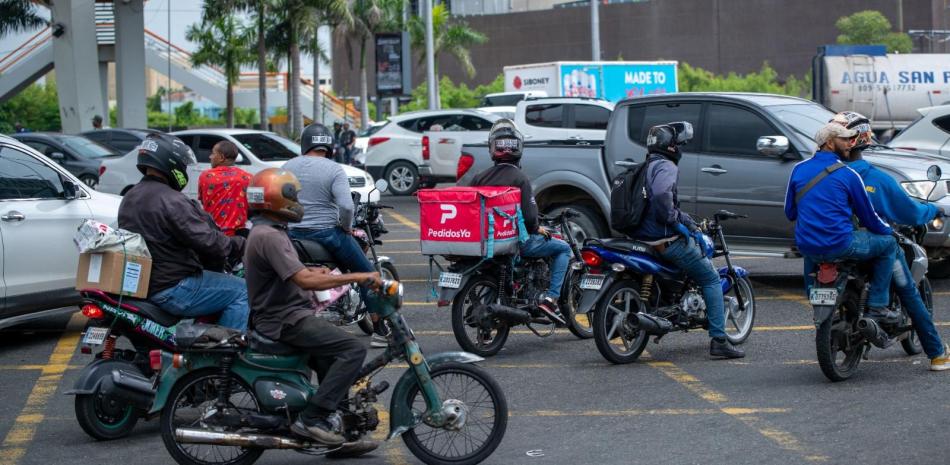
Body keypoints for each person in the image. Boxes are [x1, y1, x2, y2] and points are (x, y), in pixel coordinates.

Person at [243, 167, 380, 450]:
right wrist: (358, 276)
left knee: (331, 356)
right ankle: (312, 419)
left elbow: (293, 271)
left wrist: (314, 270)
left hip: (289, 314)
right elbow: (304, 281)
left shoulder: (270, 230)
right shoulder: (269, 235)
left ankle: (339, 430)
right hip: (284, 320)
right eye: (293, 197)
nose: (297, 203)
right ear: (277, 199)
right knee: (352, 349)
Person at [834, 111, 949, 370]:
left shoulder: (825, 174)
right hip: (869, 243)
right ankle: (937, 353)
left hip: (830, 244)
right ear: (864, 140)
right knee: (909, 291)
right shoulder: (875, 178)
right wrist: (933, 210)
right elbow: (910, 212)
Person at [631, 122, 744, 359]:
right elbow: (662, 198)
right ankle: (719, 340)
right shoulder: (666, 166)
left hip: (642, 239)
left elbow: (663, 204)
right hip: (665, 241)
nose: (680, 148)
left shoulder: (644, 167)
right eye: (679, 144)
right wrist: (676, 223)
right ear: (670, 146)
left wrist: (688, 223)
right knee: (711, 279)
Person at [118, 134, 249, 330]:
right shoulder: (172, 200)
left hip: (146, 283)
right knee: (243, 291)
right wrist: (240, 243)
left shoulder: (130, 196)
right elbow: (208, 241)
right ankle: (227, 346)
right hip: (173, 286)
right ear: (171, 162)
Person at [284, 123, 389, 347]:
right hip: (327, 234)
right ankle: (380, 330)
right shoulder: (334, 169)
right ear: (328, 146)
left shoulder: (287, 166)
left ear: (305, 144)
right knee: (367, 275)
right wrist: (346, 227)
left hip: (292, 235)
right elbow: (347, 206)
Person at [785, 121, 900, 324]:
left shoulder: (798, 169)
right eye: (845, 139)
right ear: (830, 143)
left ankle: (814, 297)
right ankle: (878, 305)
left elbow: (790, 213)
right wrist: (888, 230)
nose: (850, 144)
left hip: (807, 245)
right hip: (841, 244)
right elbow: (869, 218)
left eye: (852, 140)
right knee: (889, 245)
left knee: (813, 250)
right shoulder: (848, 174)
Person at [467, 119, 570, 325]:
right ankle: (551, 300)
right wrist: (537, 228)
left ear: (492, 148)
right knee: (563, 249)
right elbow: (530, 219)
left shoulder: (479, 177)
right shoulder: (520, 178)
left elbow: (470, 208)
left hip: (486, 242)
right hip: (514, 243)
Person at [197, 140, 252, 236]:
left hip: (213, 234)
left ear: (221, 157)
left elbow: (203, 201)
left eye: (213, 153)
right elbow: (252, 206)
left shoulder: (205, 177)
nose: (210, 157)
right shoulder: (248, 177)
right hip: (239, 236)